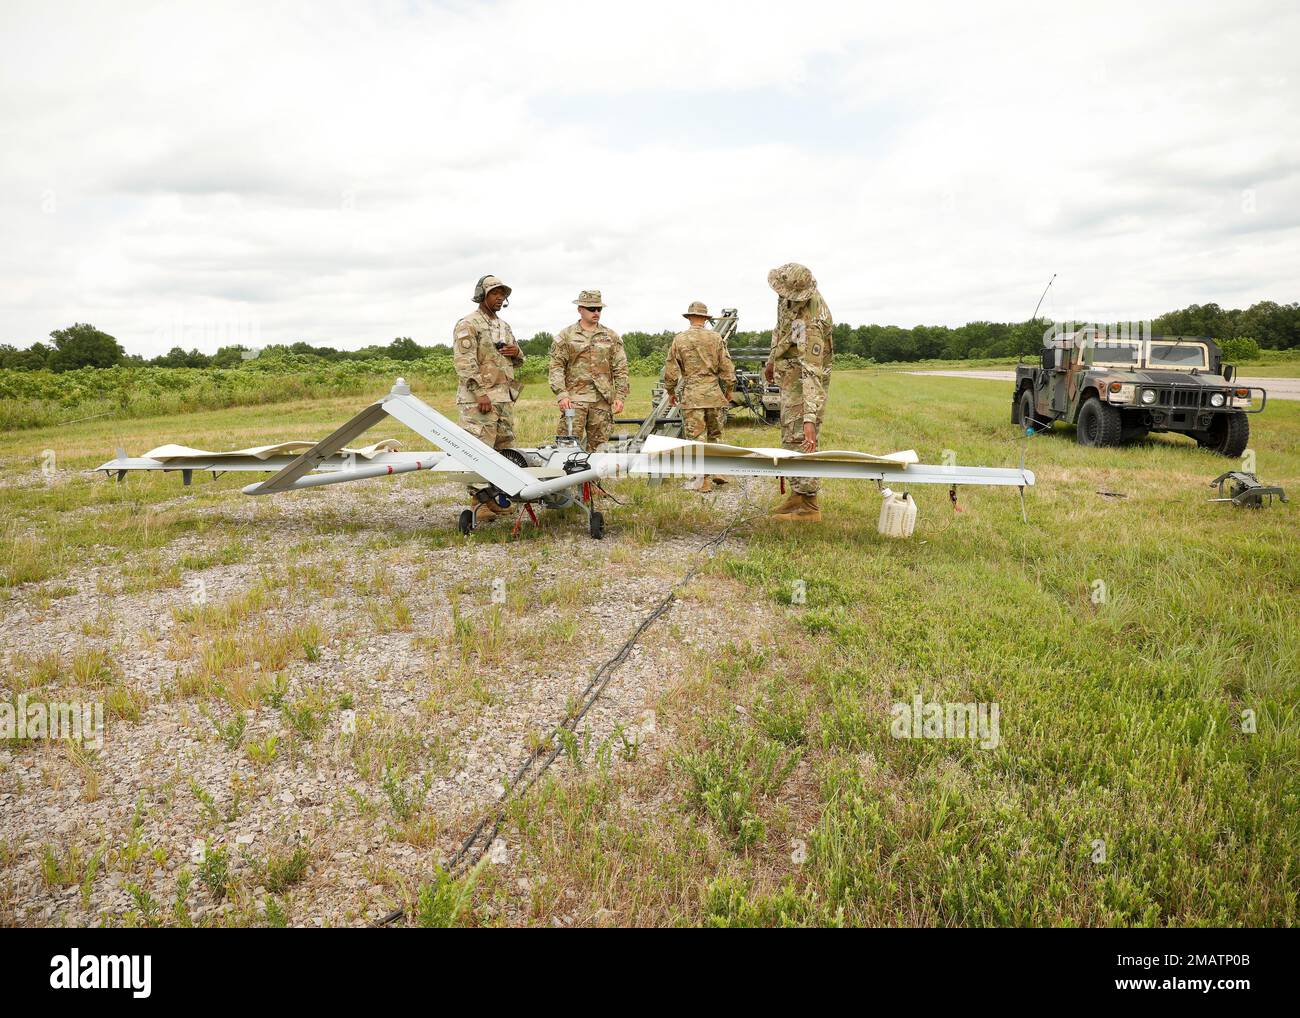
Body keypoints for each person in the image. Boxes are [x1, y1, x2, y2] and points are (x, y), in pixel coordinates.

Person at [452, 274, 524, 524]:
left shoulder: (503, 326)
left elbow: (517, 357)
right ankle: (479, 502)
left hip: (503, 398)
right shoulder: (468, 323)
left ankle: (495, 498)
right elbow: (464, 362)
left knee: (503, 450)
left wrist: (517, 352)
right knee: (479, 450)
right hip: (479, 400)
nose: (500, 298)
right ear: (482, 295)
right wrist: (479, 392)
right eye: (495, 293)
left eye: (503, 294)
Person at [764, 263, 832, 522]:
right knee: (788, 434)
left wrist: (809, 419)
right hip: (790, 372)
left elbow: (812, 370)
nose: (782, 297)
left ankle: (809, 505)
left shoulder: (814, 319)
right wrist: (772, 361)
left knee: (801, 437)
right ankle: (797, 494)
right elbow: (782, 329)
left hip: (806, 377)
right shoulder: (788, 297)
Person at [664, 301, 736, 492]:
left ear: (689, 317)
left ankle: (703, 481)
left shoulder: (679, 340)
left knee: (697, 439)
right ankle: (719, 471)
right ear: (705, 319)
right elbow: (727, 367)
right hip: (714, 394)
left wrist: (671, 392)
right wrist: (729, 389)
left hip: (692, 395)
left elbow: (671, 371)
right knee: (716, 435)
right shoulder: (716, 338)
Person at [548, 290, 629, 451]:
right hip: (575, 400)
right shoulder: (566, 336)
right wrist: (561, 394)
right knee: (568, 448)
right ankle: (568, 477)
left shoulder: (611, 336)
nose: (596, 312)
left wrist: (620, 396)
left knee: (599, 450)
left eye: (599, 309)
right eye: (592, 309)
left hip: (602, 401)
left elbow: (620, 368)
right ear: (580, 309)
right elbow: (556, 367)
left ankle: (593, 477)